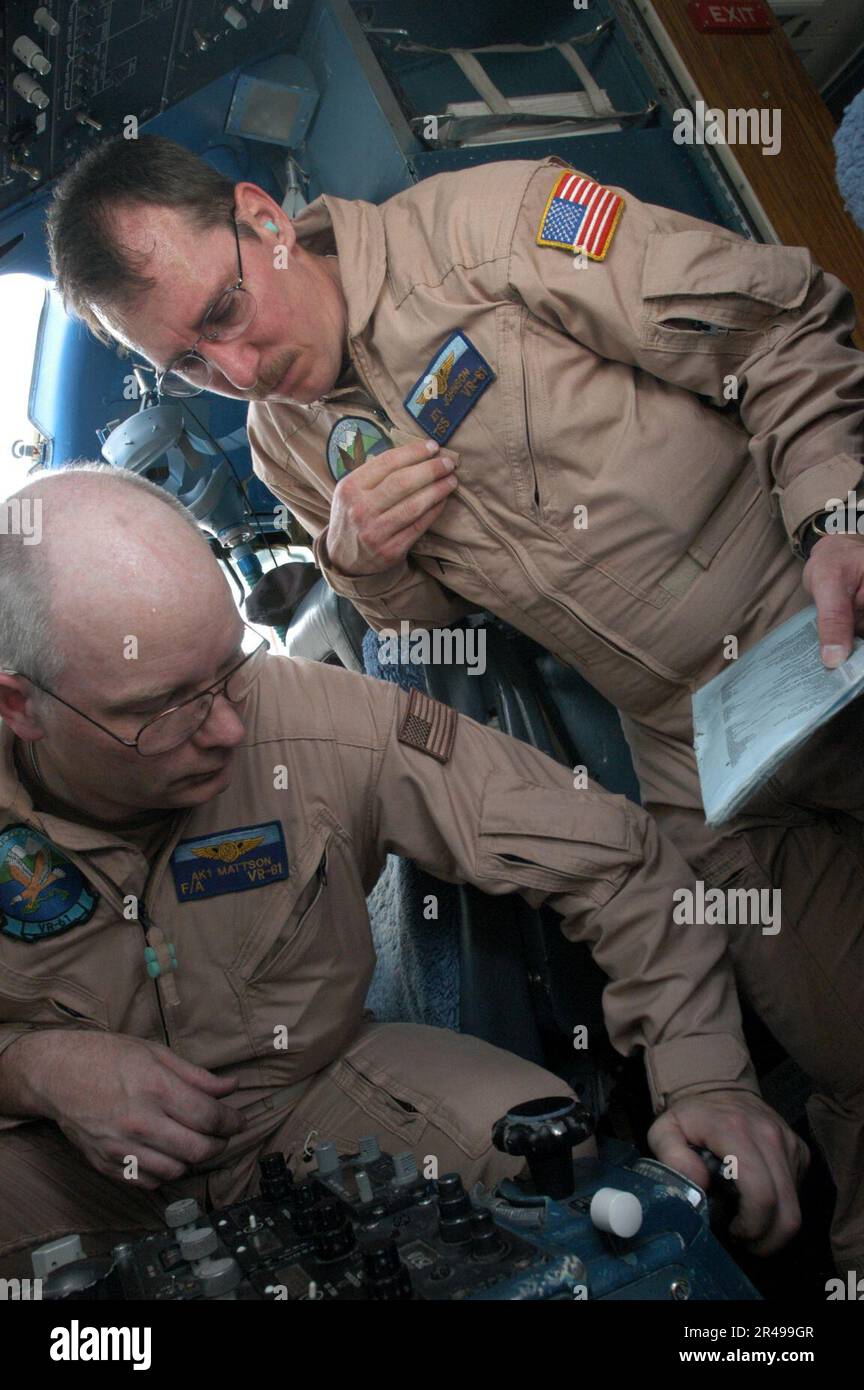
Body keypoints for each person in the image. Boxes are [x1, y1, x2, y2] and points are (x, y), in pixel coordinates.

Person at [45, 136, 864, 1276]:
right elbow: (445, 642)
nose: (235, 368)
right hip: (693, 750)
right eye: (187, 363)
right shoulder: (289, 449)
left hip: (816, 606)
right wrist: (373, 572)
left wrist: (837, 514)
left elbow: (778, 323)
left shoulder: (496, 228)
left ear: (262, 216)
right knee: (846, 1058)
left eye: (227, 308)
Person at [0, 466, 804, 1278]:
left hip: (305, 1095)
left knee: (551, 1166)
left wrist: (708, 1082)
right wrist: (36, 1070)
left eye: (230, 666)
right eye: (166, 707)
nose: (230, 727)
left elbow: (615, 858)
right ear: (19, 705)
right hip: (60, 1165)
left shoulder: (316, 721)